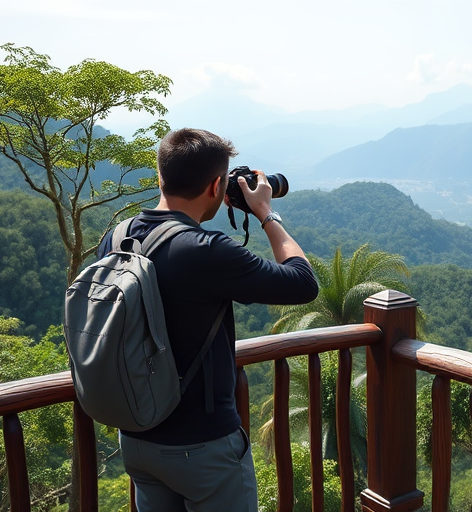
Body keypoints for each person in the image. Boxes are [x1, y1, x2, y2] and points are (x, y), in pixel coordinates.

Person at [97, 127, 318, 512]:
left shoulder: (117, 237)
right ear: (216, 186)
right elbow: (302, 282)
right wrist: (265, 212)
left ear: (160, 174)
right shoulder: (205, 250)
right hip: (201, 447)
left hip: (136, 440)